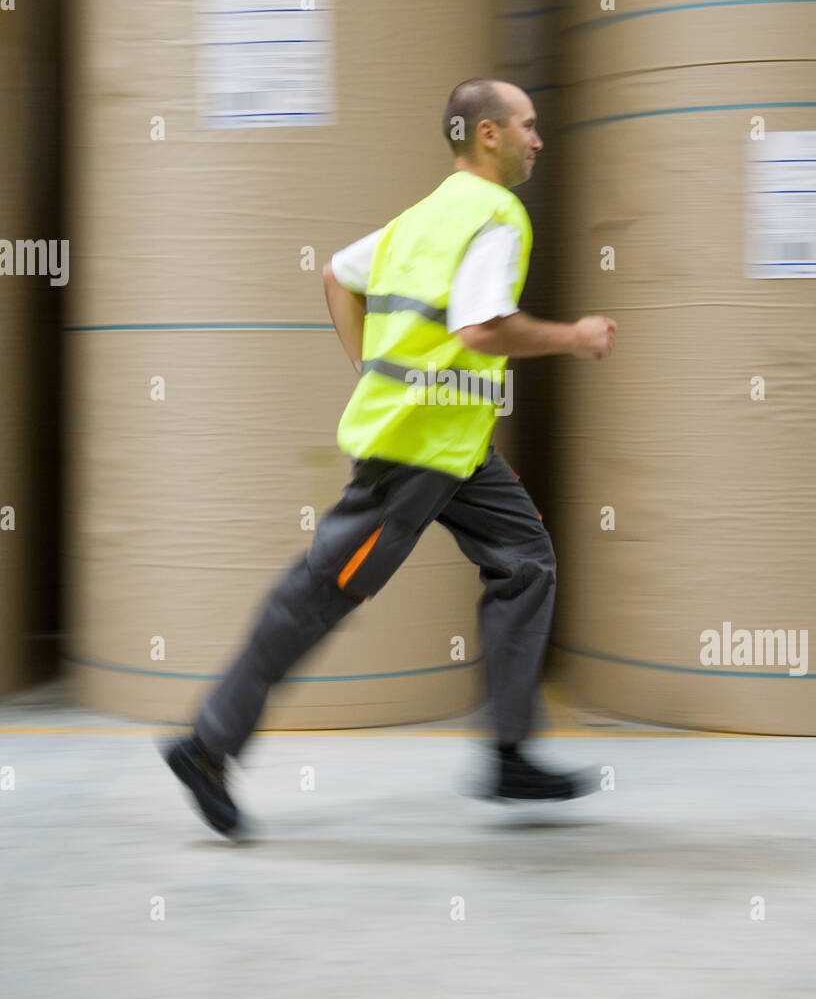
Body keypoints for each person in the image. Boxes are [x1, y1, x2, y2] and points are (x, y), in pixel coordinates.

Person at [162, 79, 616, 835]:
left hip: (459, 449)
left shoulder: (423, 216)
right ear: (488, 135)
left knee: (525, 559)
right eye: (528, 125)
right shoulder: (496, 216)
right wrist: (574, 336)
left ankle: (509, 754)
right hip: (412, 455)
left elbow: (336, 274)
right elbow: (481, 329)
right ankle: (207, 746)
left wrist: (369, 368)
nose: (539, 139)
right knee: (317, 595)